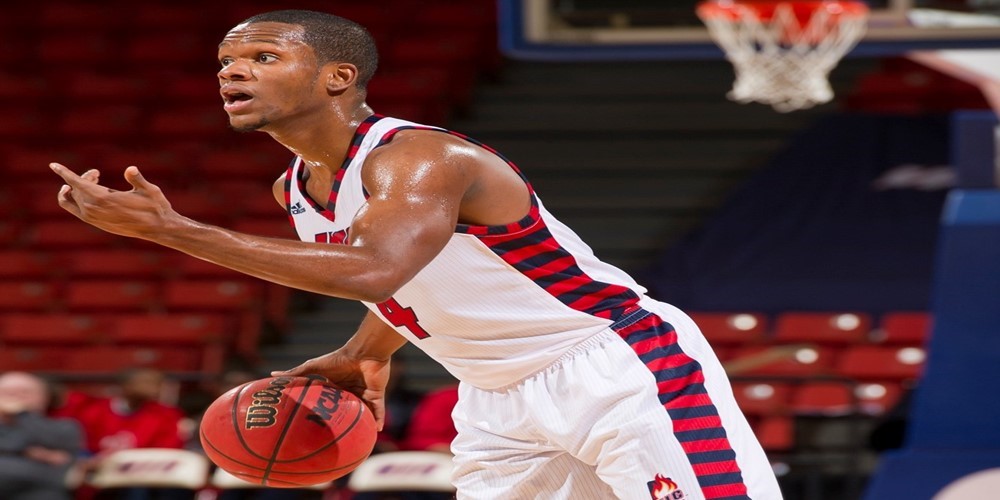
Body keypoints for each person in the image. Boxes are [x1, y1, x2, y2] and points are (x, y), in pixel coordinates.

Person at [49, 9, 782, 499]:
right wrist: (370, 349)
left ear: (337, 78)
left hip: (617, 366)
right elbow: (408, 284)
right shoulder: (294, 187)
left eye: (262, 57)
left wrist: (172, 230)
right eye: (226, 61)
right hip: (493, 398)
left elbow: (375, 268)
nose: (231, 73)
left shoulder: (421, 158)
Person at [0, 372, 83, 500]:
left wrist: (23, 414)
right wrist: (27, 451)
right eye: (7, 392)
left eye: (24, 392)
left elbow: (65, 466)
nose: (15, 397)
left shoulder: (65, 426)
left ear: (45, 397)